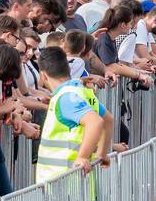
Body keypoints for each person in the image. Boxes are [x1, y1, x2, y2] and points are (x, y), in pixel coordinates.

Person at [34, 45, 114, 182]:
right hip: (78, 183)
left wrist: (82, 157)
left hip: (63, 184)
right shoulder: (81, 92)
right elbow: (109, 119)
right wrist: (101, 153)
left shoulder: (65, 98)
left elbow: (95, 122)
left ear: (43, 75)